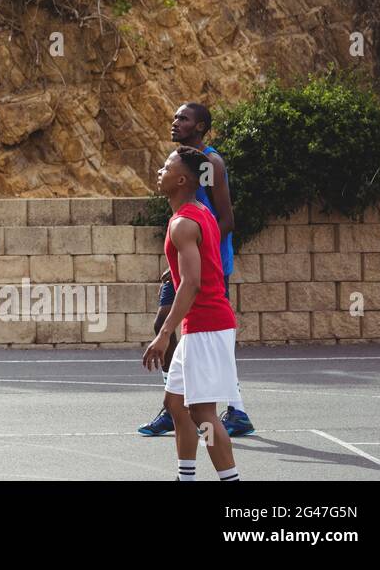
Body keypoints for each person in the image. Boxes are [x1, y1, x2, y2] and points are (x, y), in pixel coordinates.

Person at [138, 102, 255, 438]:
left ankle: (234, 408)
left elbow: (226, 219)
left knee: (207, 329)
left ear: (201, 126)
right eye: (175, 117)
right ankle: (174, 403)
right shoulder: (182, 162)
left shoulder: (210, 164)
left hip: (208, 261)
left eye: (183, 118)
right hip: (191, 253)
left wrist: (200, 257)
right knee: (165, 321)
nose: (175, 122)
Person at [142, 146, 242, 481]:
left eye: (166, 167)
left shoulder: (183, 222)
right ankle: (185, 478)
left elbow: (193, 284)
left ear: (182, 179)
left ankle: (231, 480)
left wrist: (164, 332)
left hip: (207, 325)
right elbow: (203, 264)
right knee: (176, 405)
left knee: (203, 415)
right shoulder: (199, 212)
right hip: (204, 325)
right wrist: (176, 271)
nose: (160, 170)